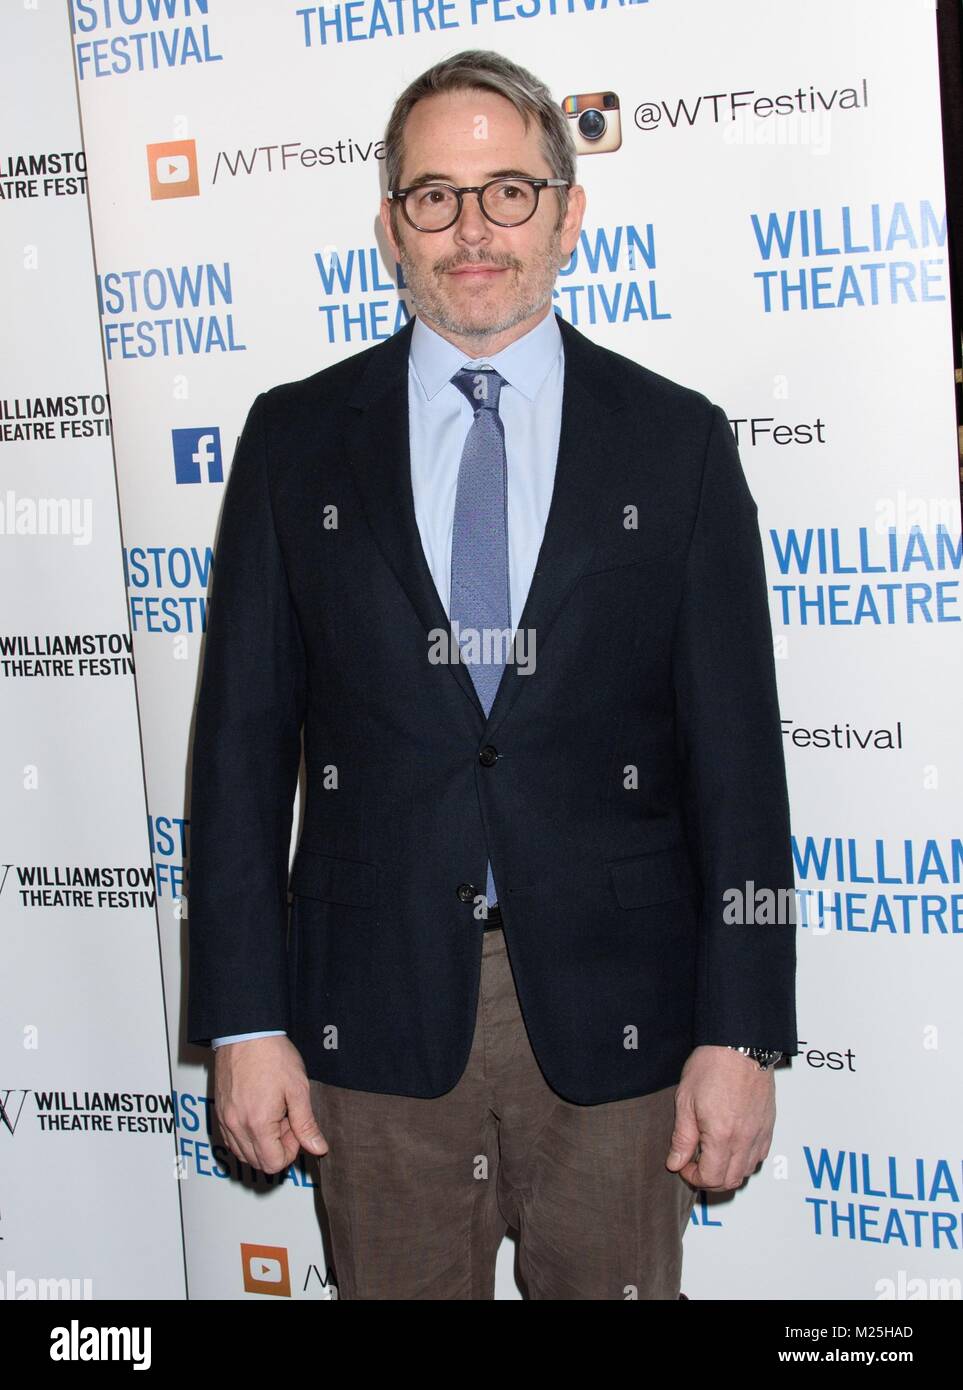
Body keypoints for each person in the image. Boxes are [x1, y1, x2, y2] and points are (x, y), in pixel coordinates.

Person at [187, 48, 797, 1301]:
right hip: (372, 1017)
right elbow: (239, 757)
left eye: (510, 190)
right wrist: (245, 1024)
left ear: (570, 215)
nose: (473, 228)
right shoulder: (294, 440)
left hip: (624, 1022)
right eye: (435, 196)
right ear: (389, 227)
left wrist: (741, 1031)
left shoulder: (675, 443)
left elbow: (740, 765)